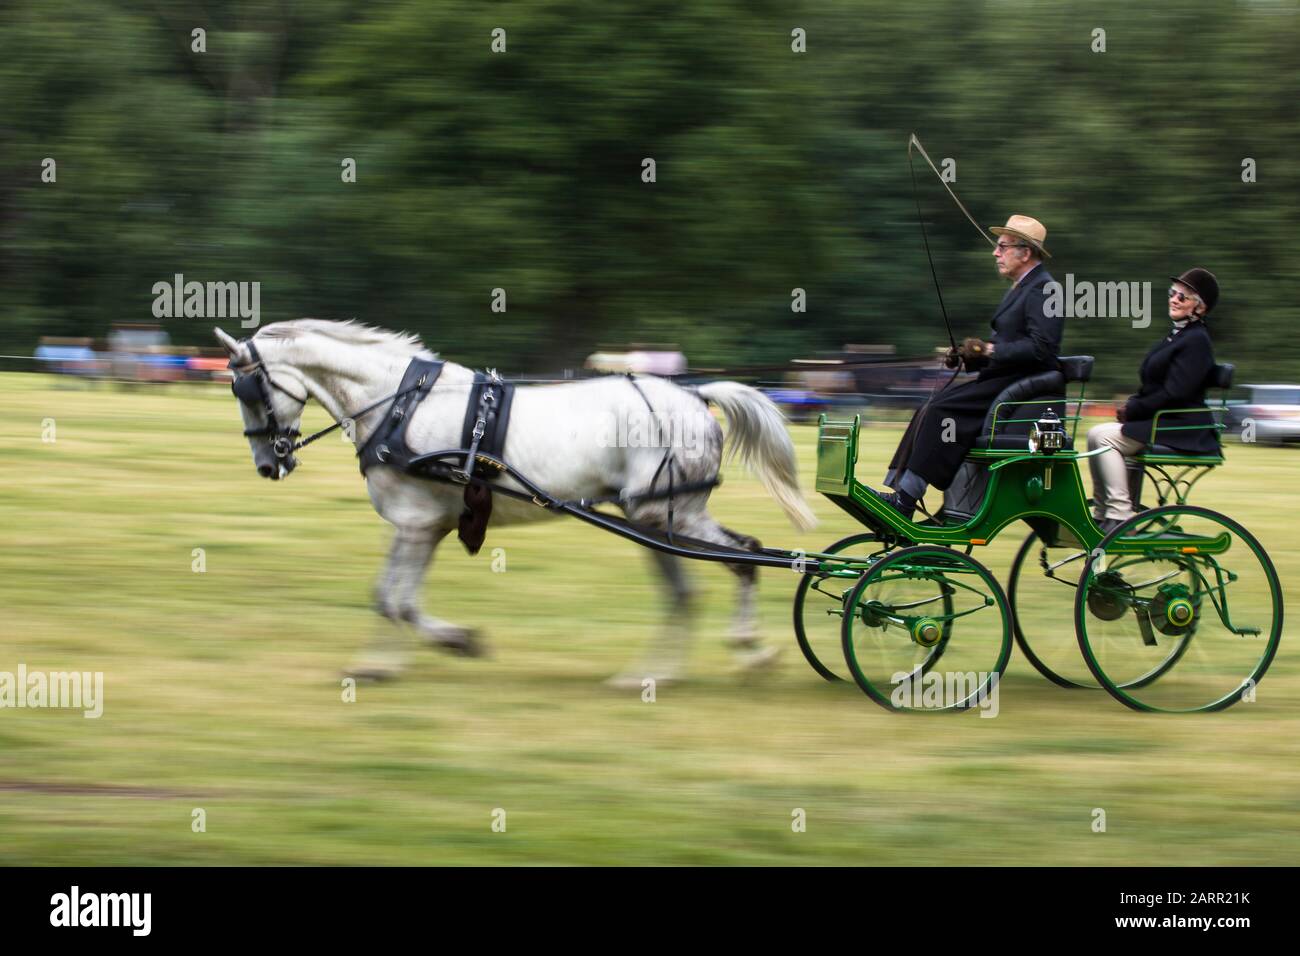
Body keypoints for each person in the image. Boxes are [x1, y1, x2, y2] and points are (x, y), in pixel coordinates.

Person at [876, 214, 1064, 518]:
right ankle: (902, 491)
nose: (996, 253)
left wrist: (989, 349)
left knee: (939, 410)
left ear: (1025, 252)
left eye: (1002, 247)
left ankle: (906, 500)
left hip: (1020, 386)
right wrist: (969, 355)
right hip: (1002, 378)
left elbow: (1042, 348)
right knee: (929, 407)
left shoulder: (1045, 289)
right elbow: (1010, 344)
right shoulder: (1023, 287)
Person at [1087, 268, 1220, 533]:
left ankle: (1120, 514)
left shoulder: (1196, 341)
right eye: (1173, 293)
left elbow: (1176, 393)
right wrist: (1133, 405)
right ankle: (1103, 512)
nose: (1174, 299)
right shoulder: (1178, 336)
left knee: (1103, 439)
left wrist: (1135, 408)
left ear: (1200, 308)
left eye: (1183, 297)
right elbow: (1155, 387)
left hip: (1180, 426)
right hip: (1163, 420)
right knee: (1094, 435)